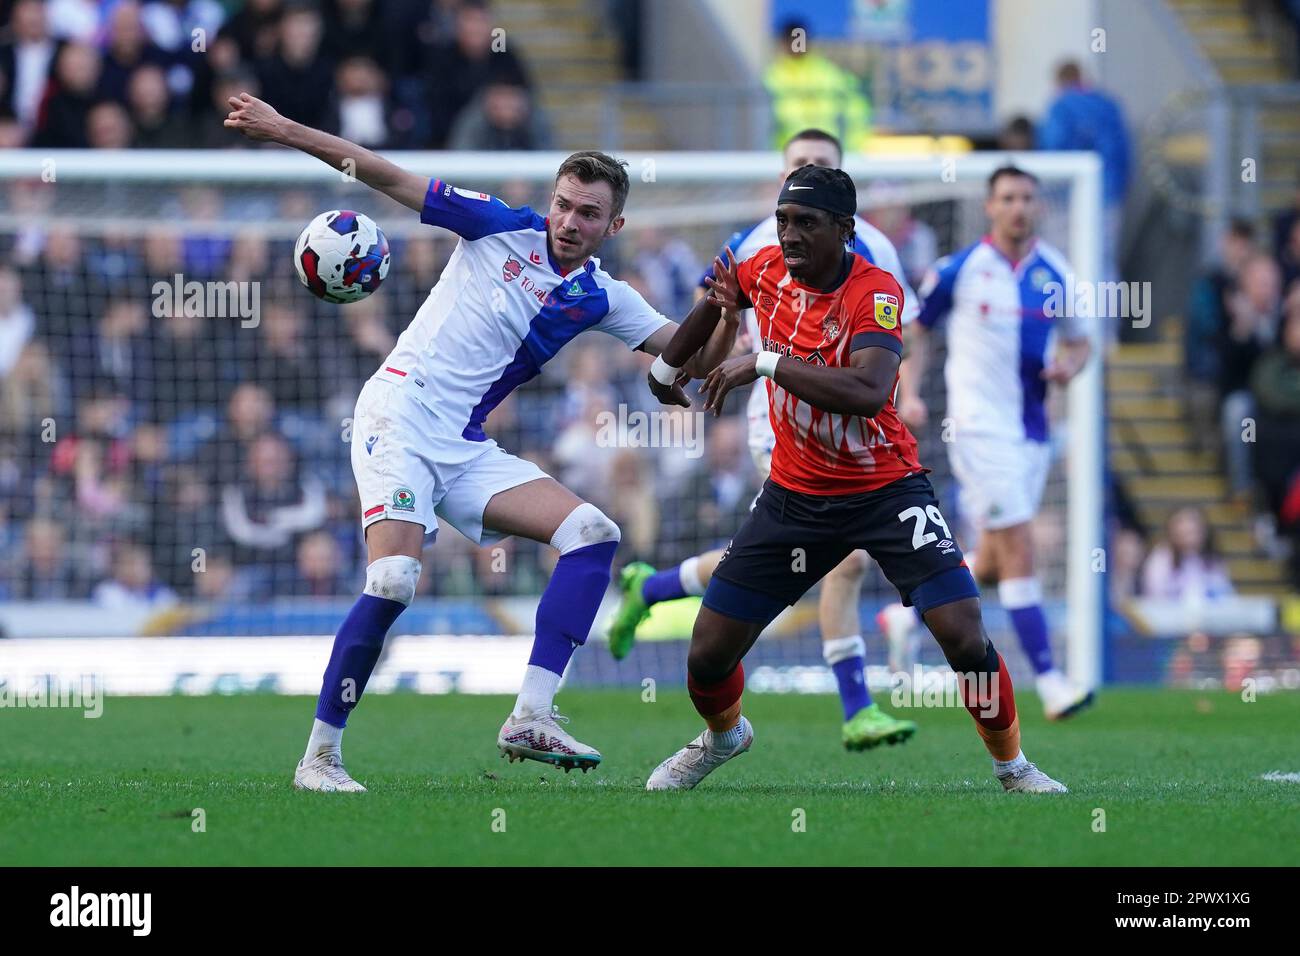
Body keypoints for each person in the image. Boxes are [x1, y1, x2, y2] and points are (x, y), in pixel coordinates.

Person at [224, 91, 740, 792]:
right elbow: (385, 174)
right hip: (397, 416)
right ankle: (319, 758)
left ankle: (532, 713)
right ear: (550, 200)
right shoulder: (497, 225)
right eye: (563, 203)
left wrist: (728, 311)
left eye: (588, 213)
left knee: (591, 532)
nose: (569, 220)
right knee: (395, 577)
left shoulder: (603, 296)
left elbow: (693, 361)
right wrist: (284, 129)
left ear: (612, 224)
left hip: (462, 447)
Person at [641, 164, 1067, 794]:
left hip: (885, 490)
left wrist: (762, 362)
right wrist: (680, 353)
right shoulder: (759, 269)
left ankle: (1014, 766)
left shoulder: (877, 290)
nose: (788, 234)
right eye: (783, 221)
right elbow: (687, 345)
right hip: (795, 498)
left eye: (805, 223)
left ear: (844, 229)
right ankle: (724, 736)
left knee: (964, 634)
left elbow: (869, 391)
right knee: (706, 652)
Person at [605, 128, 922, 750]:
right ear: (780, 177)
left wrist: (909, 393)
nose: (807, 175)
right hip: (778, 411)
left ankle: (656, 586)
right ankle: (858, 706)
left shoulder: (875, 249)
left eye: (821, 166)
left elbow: (901, 328)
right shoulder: (755, 245)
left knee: (780, 550)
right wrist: (686, 363)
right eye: (798, 167)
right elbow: (715, 331)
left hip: (855, 416)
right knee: (843, 551)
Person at [900, 166, 1095, 721]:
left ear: (1038, 206)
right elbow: (918, 332)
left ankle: (904, 618)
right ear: (990, 207)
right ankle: (1051, 679)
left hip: (1032, 432)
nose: (1018, 207)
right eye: (1008, 198)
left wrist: (1068, 367)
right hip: (977, 428)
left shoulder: (1056, 273)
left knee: (987, 560)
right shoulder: (960, 270)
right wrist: (910, 394)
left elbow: (1082, 344)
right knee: (1021, 545)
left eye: (1027, 198)